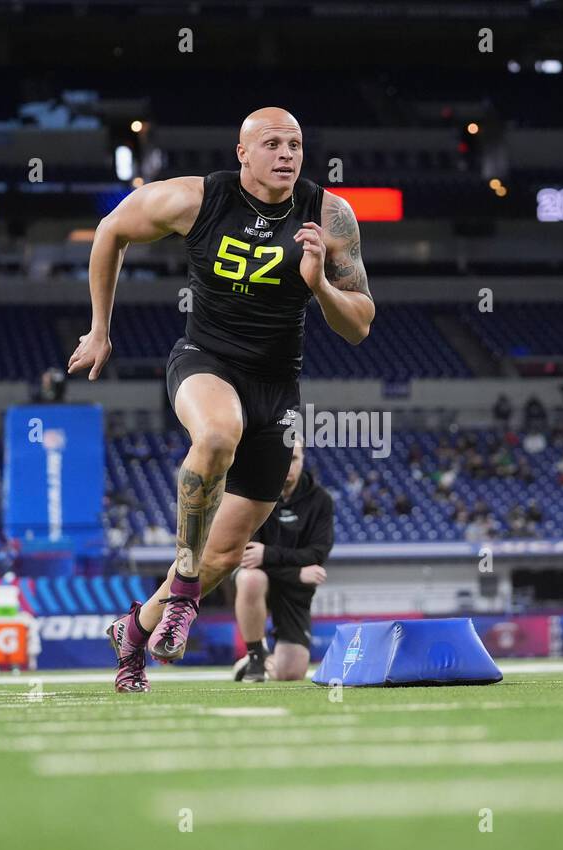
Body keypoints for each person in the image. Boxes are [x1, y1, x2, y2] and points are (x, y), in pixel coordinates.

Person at [67, 107, 373, 692]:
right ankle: (183, 582)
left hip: (278, 389)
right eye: (272, 144)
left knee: (227, 553)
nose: (287, 154)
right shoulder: (196, 200)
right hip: (205, 363)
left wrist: (320, 285)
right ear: (243, 153)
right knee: (215, 434)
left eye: (296, 144)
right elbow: (111, 231)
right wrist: (99, 329)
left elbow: (359, 325)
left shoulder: (329, 214)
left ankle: (133, 631)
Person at [232, 442, 333, 682]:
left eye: (294, 458)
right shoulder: (254, 494)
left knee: (291, 673)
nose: (288, 465)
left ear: (303, 459)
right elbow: (249, 557)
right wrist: (297, 572)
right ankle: (256, 656)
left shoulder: (321, 499)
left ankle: (251, 661)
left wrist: (268, 555)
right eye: (283, 458)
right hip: (265, 579)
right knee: (250, 578)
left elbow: (317, 554)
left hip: (294, 589)